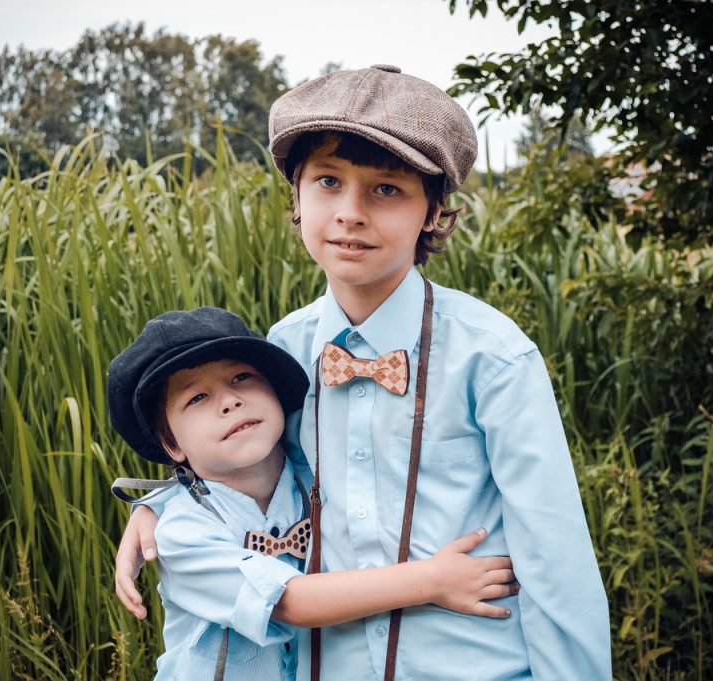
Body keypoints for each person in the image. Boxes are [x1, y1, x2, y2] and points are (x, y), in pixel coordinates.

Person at [116, 64, 612, 680]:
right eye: (328, 181)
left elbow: (555, 558)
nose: (350, 213)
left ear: (433, 211)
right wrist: (161, 507)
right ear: (296, 197)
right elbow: (250, 478)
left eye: (386, 189)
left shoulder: (493, 356)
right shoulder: (279, 355)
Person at [108, 306, 520, 681]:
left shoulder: (314, 477)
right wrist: (432, 580)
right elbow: (290, 603)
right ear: (172, 445)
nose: (230, 401)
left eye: (242, 377)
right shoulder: (182, 532)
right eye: (197, 397)